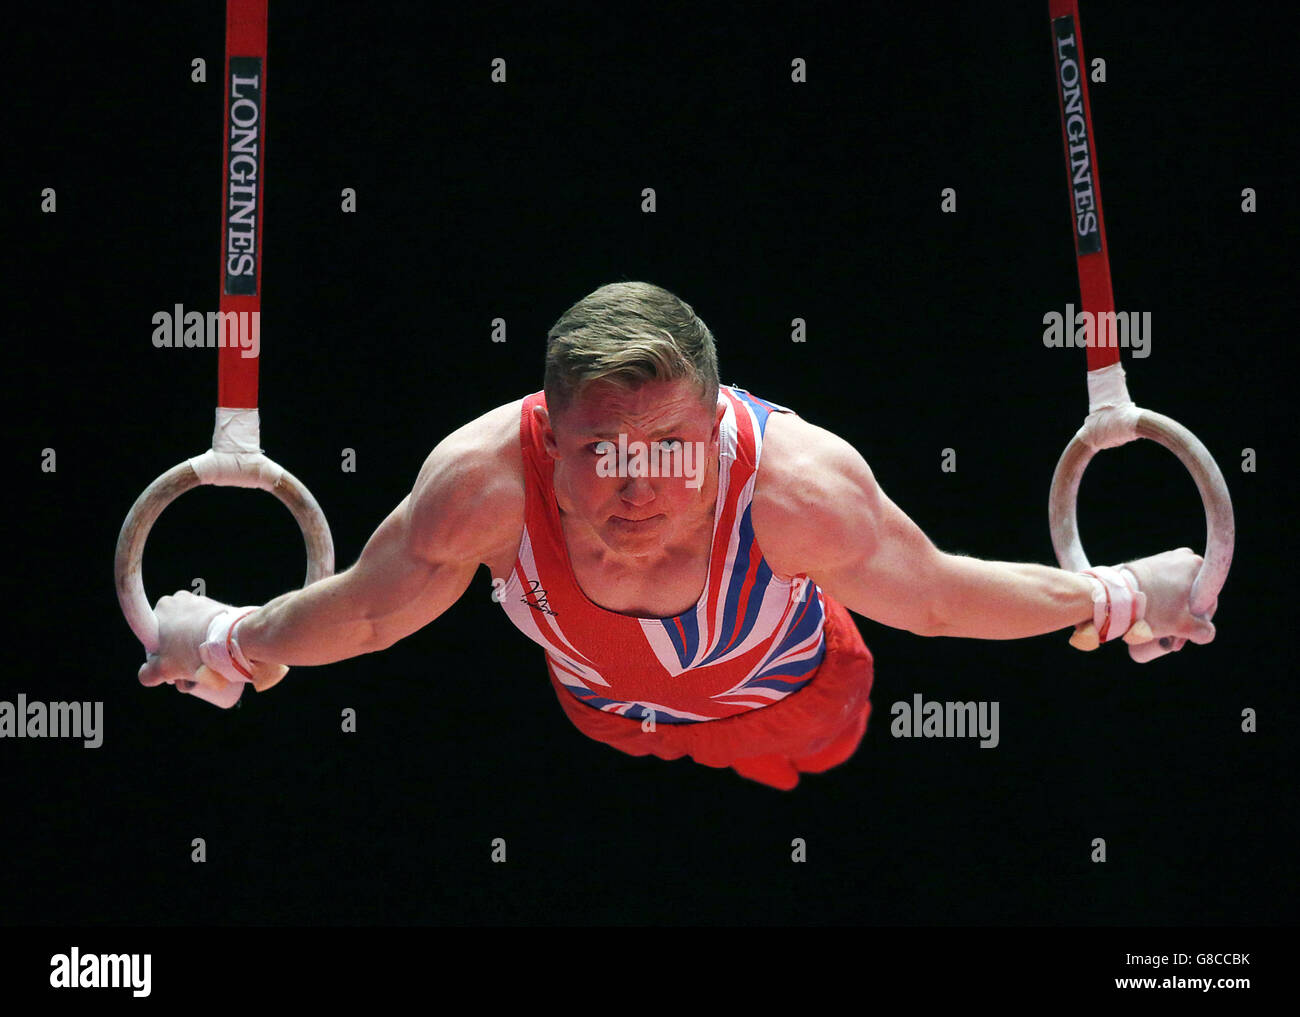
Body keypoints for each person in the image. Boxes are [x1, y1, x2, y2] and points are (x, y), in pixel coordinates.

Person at [137, 281, 1217, 789]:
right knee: (612, 717)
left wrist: (1119, 594)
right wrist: (232, 636)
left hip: (796, 705)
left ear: (718, 423)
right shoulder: (482, 485)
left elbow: (935, 598)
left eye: (666, 449)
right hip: (602, 711)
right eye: (599, 450)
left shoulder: (796, 492)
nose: (634, 483)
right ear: (548, 435)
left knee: (827, 732)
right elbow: (368, 617)